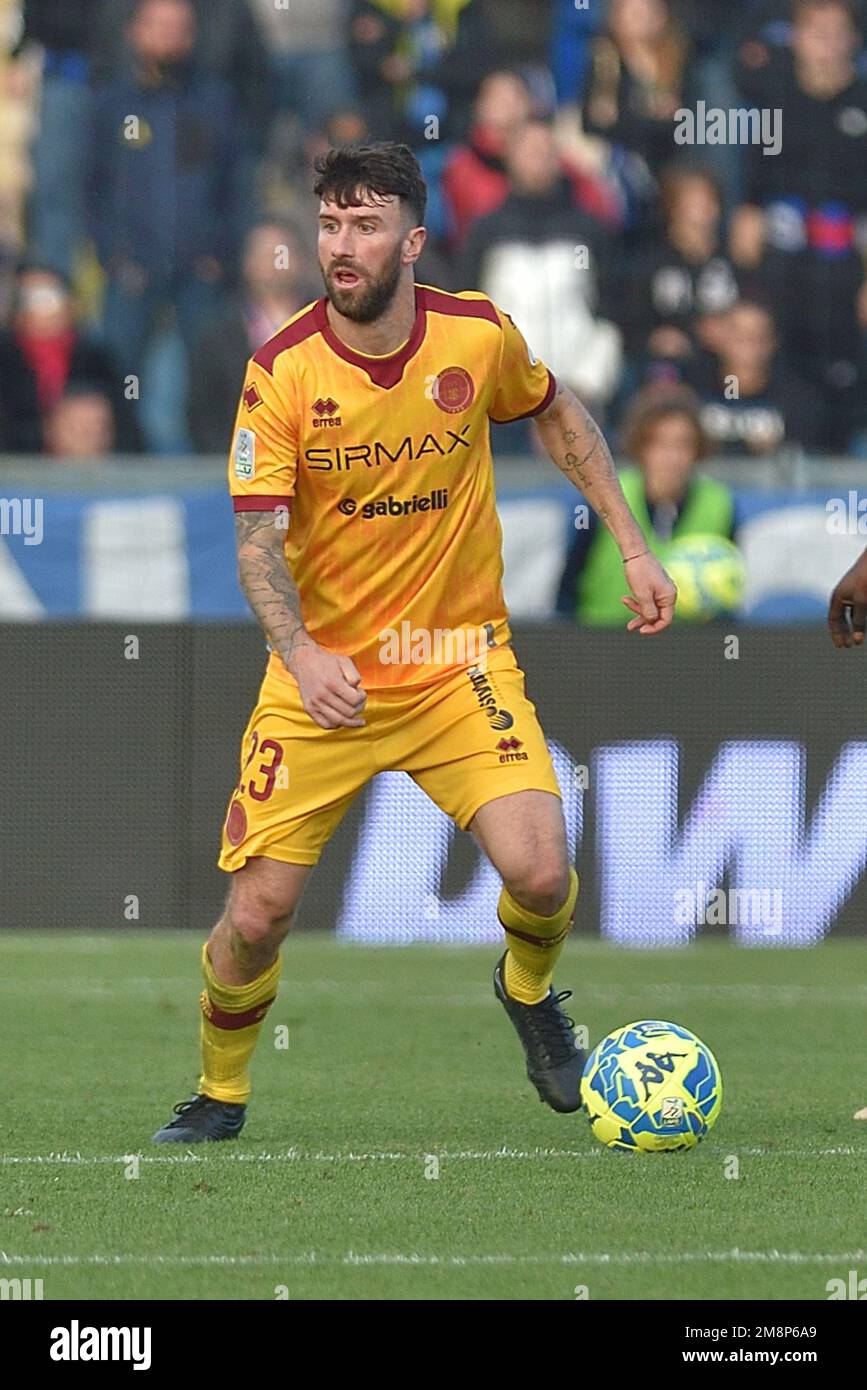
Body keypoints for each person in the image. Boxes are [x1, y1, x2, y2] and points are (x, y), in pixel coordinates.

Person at [150, 141, 676, 1143]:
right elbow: (258, 542)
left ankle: (529, 993)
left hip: (456, 664)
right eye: (331, 225)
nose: (343, 247)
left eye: (367, 225)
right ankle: (220, 1093)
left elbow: (559, 413)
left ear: (414, 237)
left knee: (542, 872)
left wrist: (633, 543)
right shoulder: (281, 372)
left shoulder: (475, 338)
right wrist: (301, 654)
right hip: (324, 681)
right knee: (257, 917)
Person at [461, 119, 623, 422]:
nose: (539, 159)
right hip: (504, 401)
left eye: (547, 150)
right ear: (510, 156)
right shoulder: (486, 232)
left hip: (581, 398)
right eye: (530, 150)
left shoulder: (588, 230)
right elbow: (469, 318)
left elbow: (610, 313)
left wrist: (587, 385)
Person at [557, 385, 733, 624]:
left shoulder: (719, 505)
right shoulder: (602, 499)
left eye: (683, 444)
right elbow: (567, 590)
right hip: (603, 642)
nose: (671, 457)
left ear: (698, 449)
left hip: (690, 647)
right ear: (640, 448)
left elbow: (730, 594)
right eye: (658, 443)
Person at [188, 221, 314, 454]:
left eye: (280, 253)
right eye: (263, 254)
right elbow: (202, 414)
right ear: (247, 263)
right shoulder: (216, 334)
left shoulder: (332, 324)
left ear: (302, 260)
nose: (273, 263)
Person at [0, 264, 141, 452]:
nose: (39, 307)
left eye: (47, 296)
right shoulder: (6, 356)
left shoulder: (97, 357)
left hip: (92, 471)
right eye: (26, 298)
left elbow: (129, 396)